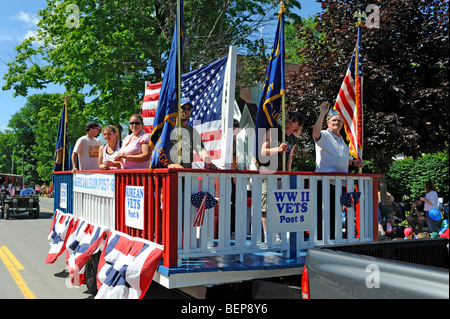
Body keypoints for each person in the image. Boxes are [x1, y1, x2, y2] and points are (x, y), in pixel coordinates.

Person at [259, 110, 304, 242]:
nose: (289, 119)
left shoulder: (293, 138)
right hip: (268, 172)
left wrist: (288, 175)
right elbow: (262, 151)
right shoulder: (274, 131)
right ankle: (268, 236)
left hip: (281, 175)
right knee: (266, 205)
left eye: (293, 119)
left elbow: (289, 158)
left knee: (280, 205)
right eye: (289, 117)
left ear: (298, 126)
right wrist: (277, 149)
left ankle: (277, 234)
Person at [312, 102, 364, 172]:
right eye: (334, 120)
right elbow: (315, 133)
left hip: (340, 181)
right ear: (328, 123)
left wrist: (354, 162)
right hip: (325, 181)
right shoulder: (324, 135)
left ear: (342, 124)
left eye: (339, 121)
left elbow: (339, 159)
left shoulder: (341, 140)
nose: (337, 122)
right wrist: (322, 114)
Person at [167, 98, 214, 169]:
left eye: (189, 109)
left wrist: (208, 161)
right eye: (183, 108)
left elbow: (201, 149)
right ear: (176, 109)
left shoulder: (192, 131)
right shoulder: (168, 129)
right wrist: (168, 165)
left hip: (187, 174)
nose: (186, 111)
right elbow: (159, 152)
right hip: (169, 173)